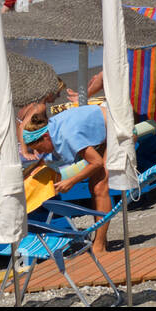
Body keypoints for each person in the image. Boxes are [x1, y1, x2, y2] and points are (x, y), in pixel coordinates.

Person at [19, 105, 112, 251]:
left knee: (99, 186)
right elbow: (48, 159)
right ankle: (100, 241)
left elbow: (97, 163)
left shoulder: (68, 135)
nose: (38, 152)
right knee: (93, 186)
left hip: (118, 127)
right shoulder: (50, 130)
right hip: (104, 131)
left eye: (39, 148)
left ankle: (99, 245)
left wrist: (71, 181)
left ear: (46, 137)